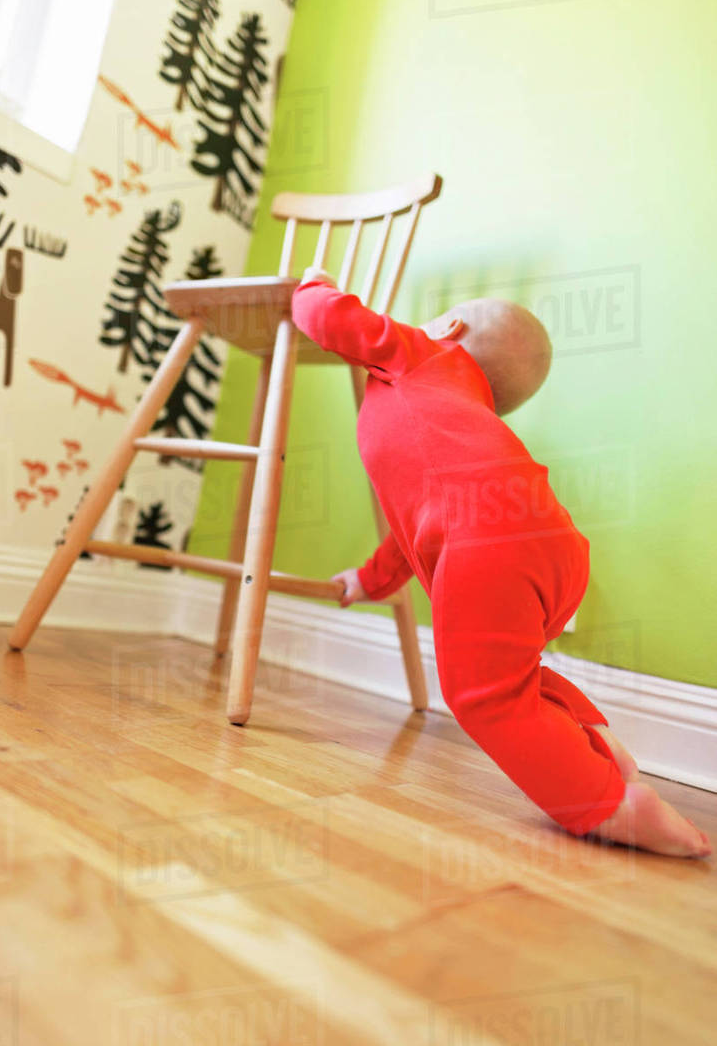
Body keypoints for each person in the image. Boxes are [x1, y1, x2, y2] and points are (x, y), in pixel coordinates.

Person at [292, 267, 711, 859]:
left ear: (449, 328)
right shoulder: (457, 414)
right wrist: (369, 579)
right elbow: (412, 534)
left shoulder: (418, 353)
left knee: (483, 695)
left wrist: (312, 285)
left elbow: (329, 320)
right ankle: (593, 748)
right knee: (508, 668)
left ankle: (607, 805)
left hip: (488, 541)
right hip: (550, 542)